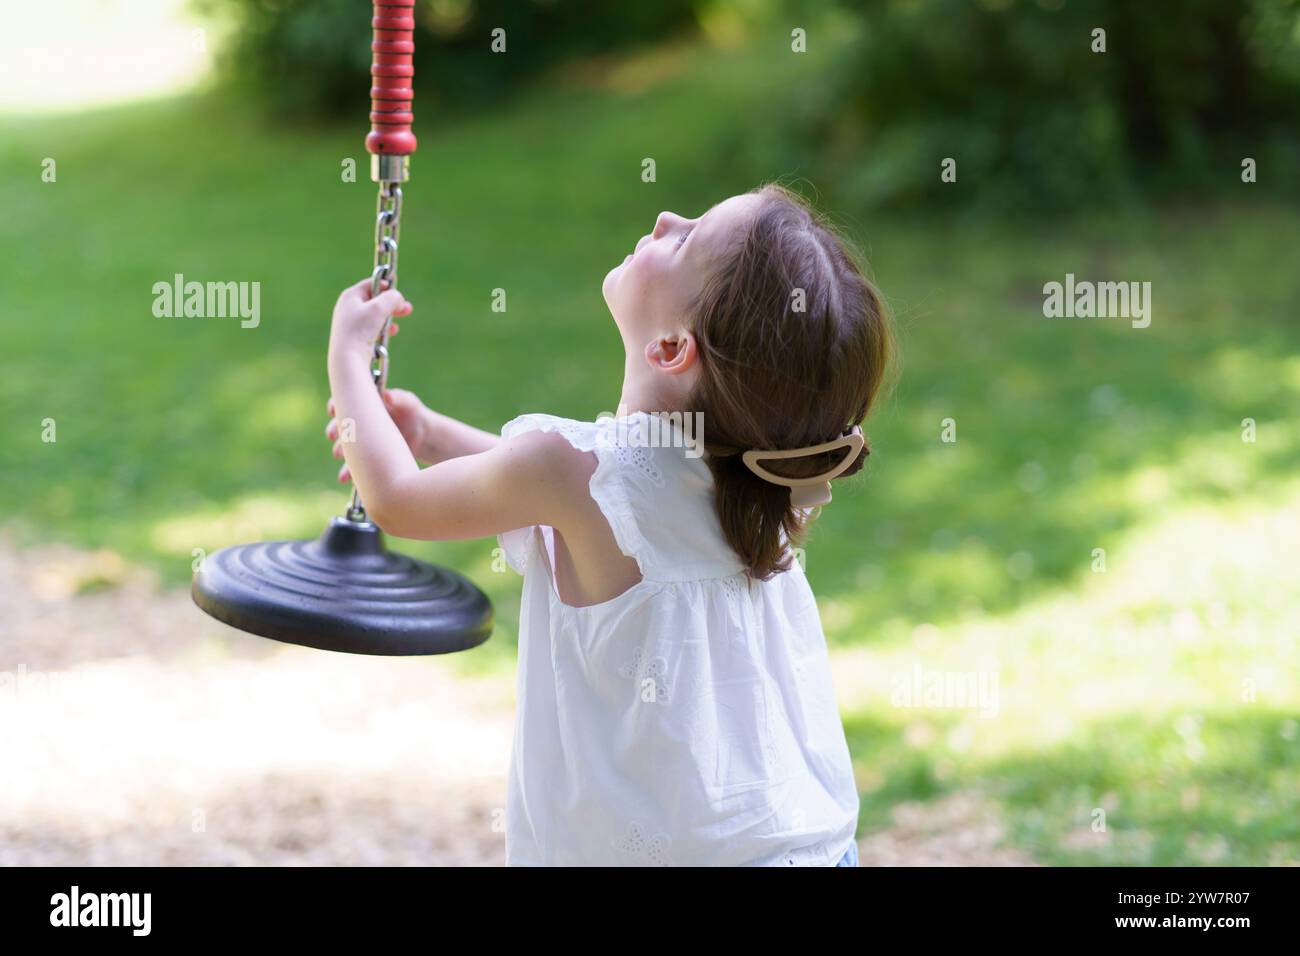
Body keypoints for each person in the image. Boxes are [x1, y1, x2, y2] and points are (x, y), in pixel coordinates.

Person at [325, 183, 893, 865]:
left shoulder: (574, 473)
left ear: (671, 348)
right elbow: (582, 506)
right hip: (810, 848)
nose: (665, 218)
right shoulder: (757, 475)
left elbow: (395, 498)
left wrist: (348, 357)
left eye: (687, 237)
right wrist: (432, 434)